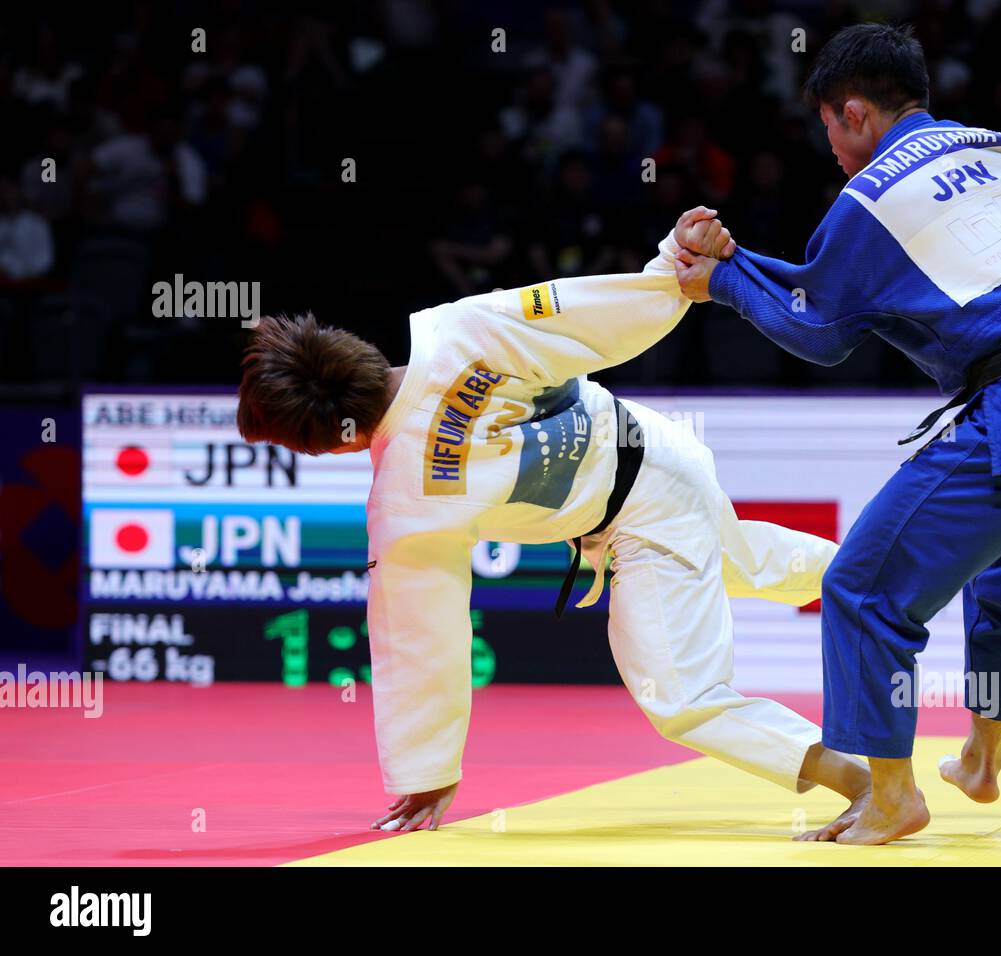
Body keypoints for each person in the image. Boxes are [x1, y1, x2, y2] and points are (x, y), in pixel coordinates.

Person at [673, 24, 1001, 845]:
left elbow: (819, 329)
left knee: (862, 590)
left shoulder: (868, 199)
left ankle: (895, 797)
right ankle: (980, 757)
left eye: (828, 126)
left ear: (856, 112)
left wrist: (724, 281)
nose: (830, 146)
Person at [236, 208, 870, 833]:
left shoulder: (405, 498)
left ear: (325, 445)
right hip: (660, 448)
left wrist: (426, 771)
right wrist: (671, 265)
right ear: (353, 351)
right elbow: (580, 313)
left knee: (680, 697)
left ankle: (866, 780)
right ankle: (900, 574)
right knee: (741, 562)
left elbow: (420, 636)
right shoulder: (458, 329)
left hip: (642, 516)